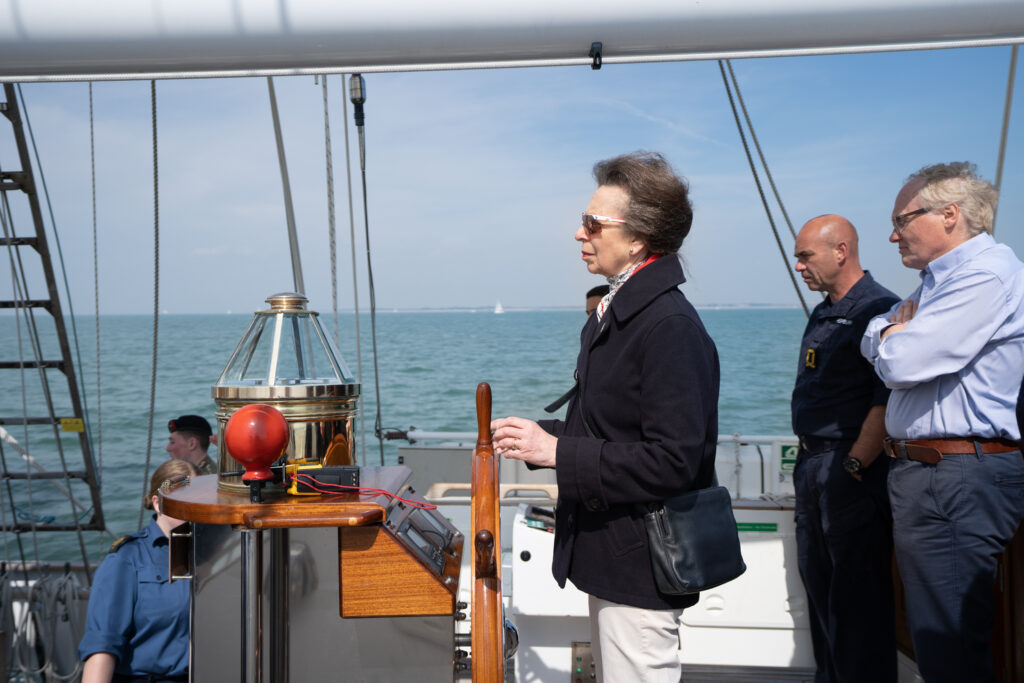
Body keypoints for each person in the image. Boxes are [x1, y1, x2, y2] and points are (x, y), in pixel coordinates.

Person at [492, 151, 719, 682]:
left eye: (594, 223)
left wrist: (558, 452)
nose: (579, 232)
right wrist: (539, 438)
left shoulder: (668, 327)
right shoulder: (619, 312)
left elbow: (672, 462)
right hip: (614, 554)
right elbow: (611, 430)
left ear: (638, 239)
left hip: (640, 565)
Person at [861, 162, 1024, 683]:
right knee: (937, 640)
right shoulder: (937, 283)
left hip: (955, 474)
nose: (893, 235)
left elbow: (902, 363)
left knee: (949, 643)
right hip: (930, 475)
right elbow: (878, 336)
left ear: (949, 215)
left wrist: (889, 336)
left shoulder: (984, 275)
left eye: (902, 219)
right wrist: (889, 330)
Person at [790, 215, 899, 683]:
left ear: (841, 251)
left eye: (806, 256)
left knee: (857, 601)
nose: (799, 266)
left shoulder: (879, 310)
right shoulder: (824, 311)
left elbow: (886, 395)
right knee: (820, 591)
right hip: (813, 465)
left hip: (848, 470)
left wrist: (856, 462)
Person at [79, 459, 196, 683]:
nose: (193, 508)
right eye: (182, 499)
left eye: (199, 499)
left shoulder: (214, 555)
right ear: (158, 503)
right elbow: (102, 646)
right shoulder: (127, 560)